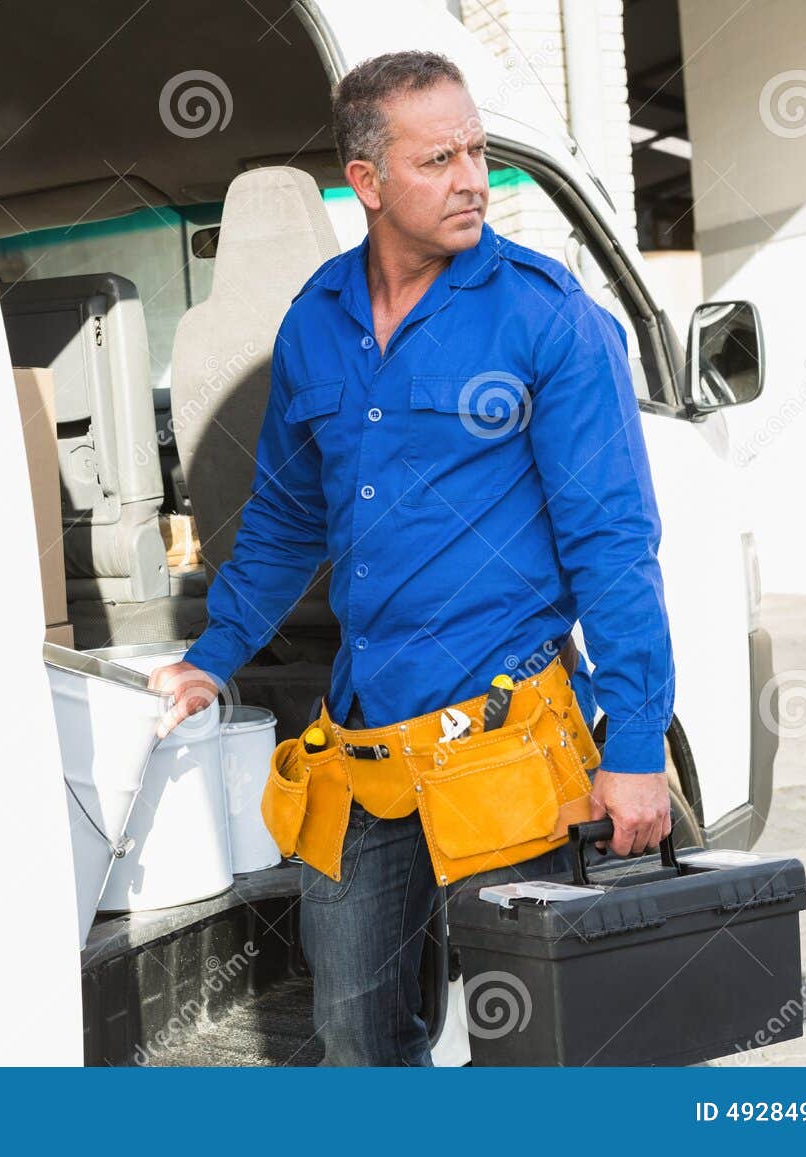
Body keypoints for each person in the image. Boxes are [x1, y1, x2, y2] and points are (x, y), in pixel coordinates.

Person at [149, 50, 675, 1065]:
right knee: (355, 1034)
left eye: (477, 150)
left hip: (504, 747)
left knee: (533, 1045)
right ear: (368, 181)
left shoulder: (544, 314)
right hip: (364, 750)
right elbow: (286, 515)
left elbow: (614, 539)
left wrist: (637, 741)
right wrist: (214, 653)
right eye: (439, 158)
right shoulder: (316, 320)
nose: (473, 177)